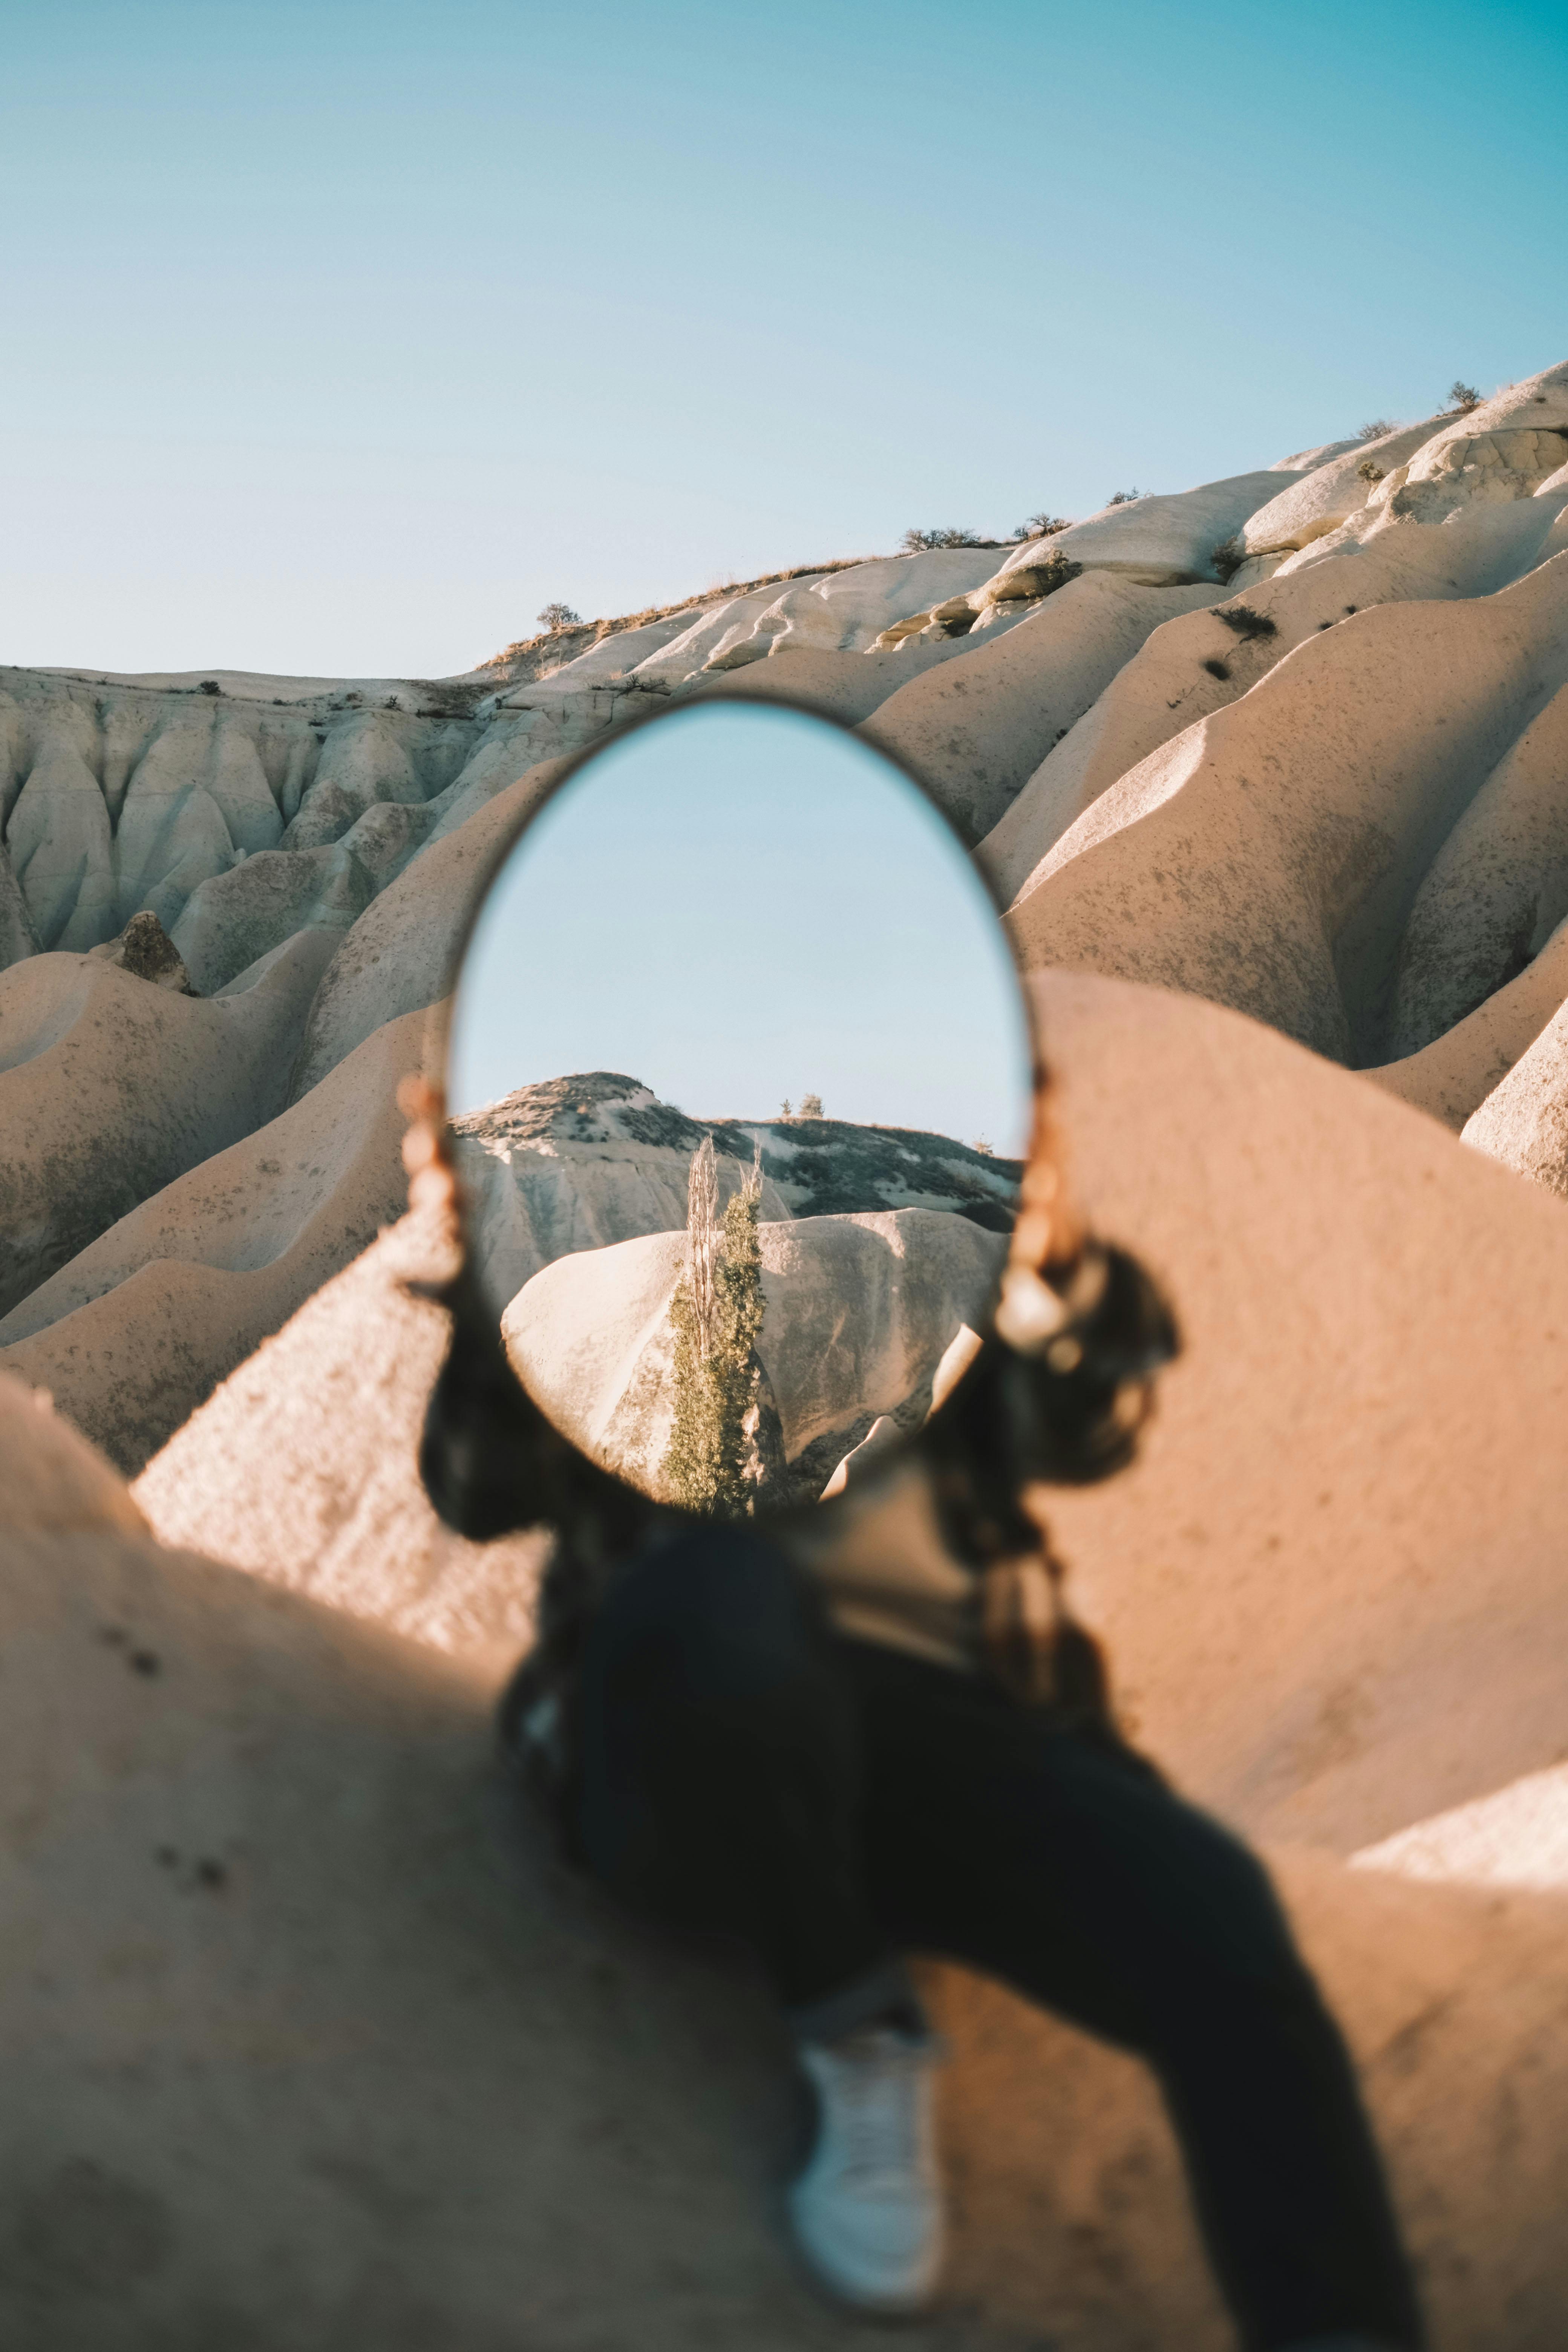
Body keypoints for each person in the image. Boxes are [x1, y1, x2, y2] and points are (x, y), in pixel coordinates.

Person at [401, 1078, 1426, 2352]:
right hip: (683, 1736)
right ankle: (857, 2025)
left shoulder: (981, 1414)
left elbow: (1098, 1424)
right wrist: (459, 1298)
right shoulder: (659, 1525)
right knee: (722, 1592)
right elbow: (478, 1488)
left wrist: (1066, 1283)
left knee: (1218, 1913)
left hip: (911, 1745)